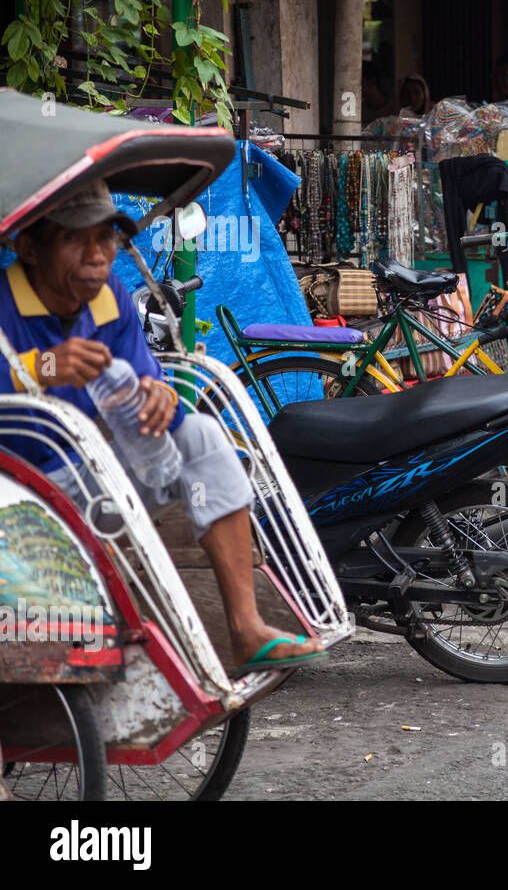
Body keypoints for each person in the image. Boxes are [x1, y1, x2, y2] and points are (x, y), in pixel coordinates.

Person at [0, 181, 325, 675]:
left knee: (202, 435)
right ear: (29, 247)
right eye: (75, 239)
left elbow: (145, 379)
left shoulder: (108, 296)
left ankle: (245, 627)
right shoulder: (4, 305)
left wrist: (160, 396)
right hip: (22, 495)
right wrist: (41, 368)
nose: (97, 255)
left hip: (99, 480)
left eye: (106, 238)